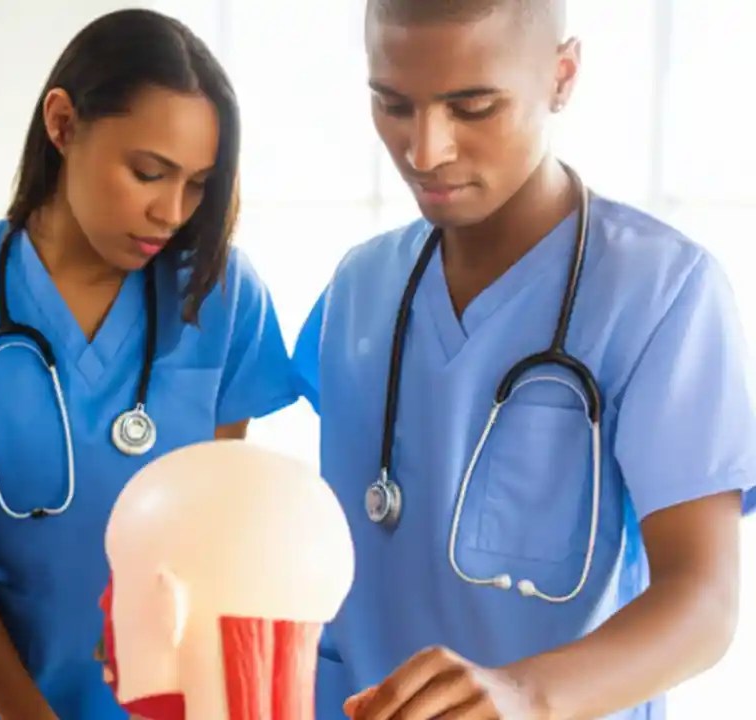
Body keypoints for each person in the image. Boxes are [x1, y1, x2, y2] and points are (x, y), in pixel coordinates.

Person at [292, 1, 756, 718]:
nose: (425, 150)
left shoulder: (664, 294)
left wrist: (524, 693)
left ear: (562, 76)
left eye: (471, 107)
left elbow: (704, 600)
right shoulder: (359, 287)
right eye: (392, 104)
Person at [0, 8, 298, 718]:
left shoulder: (221, 296)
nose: (172, 211)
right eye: (148, 172)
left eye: (198, 183)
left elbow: (210, 543)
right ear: (63, 123)